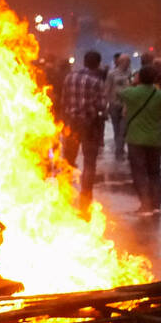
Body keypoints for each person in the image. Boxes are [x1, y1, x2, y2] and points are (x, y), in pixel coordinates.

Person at [118, 64, 161, 216]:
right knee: (155, 173)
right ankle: (156, 205)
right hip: (155, 140)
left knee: (139, 173)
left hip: (136, 139)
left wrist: (134, 83)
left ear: (140, 78)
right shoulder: (160, 95)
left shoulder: (131, 93)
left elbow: (121, 94)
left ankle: (145, 204)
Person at [61, 50, 107, 208]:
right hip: (89, 124)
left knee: (69, 159)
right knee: (89, 162)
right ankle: (86, 194)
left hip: (71, 123)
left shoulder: (70, 77)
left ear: (84, 61)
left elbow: (64, 100)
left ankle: (64, 190)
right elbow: (101, 105)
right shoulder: (97, 82)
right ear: (98, 64)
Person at [105, 53, 132, 160]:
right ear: (120, 62)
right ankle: (119, 150)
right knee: (117, 129)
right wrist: (106, 105)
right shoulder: (112, 74)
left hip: (126, 104)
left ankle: (120, 149)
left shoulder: (130, 73)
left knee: (123, 128)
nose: (127, 64)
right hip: (114, 104)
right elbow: (107, 88)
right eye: (126, 61)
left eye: (129, 61)